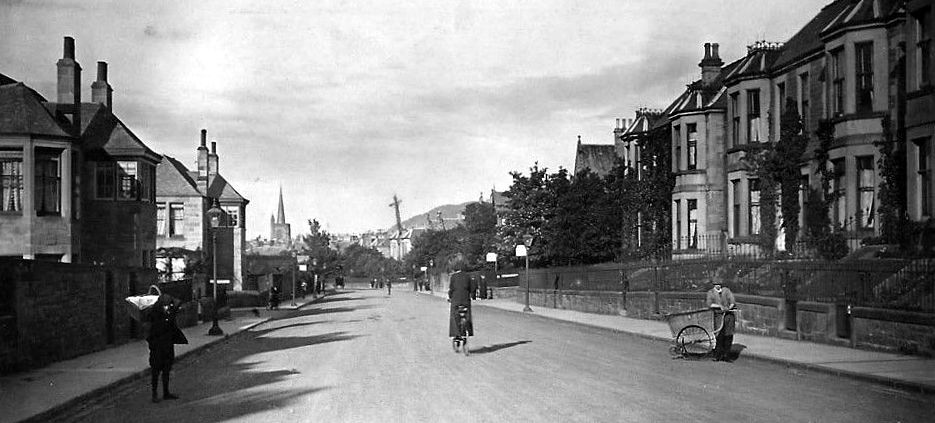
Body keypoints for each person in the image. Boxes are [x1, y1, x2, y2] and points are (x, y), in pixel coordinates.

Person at [147, 294, 186, 402]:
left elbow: (177, 306)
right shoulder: (155, 315)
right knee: (155, 371)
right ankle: (154, 393)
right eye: (165, 305)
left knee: (166, 370)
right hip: (157, 347)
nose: (167, 307)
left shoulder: (169, 314)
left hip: (167, 346)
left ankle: (166, 392)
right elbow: (152, 333)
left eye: (168, 305)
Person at [706, 278, 737, 362]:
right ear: (714, 285)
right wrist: (720, 306)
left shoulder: (726, 291)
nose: (718, 286)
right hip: (719, 316)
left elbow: (732, 301)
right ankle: (717, 355)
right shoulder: (711, 293)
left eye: (719, 284)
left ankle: (726, 355)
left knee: (728, 336)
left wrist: (729, 307)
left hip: (728, 316)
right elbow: (709, 304)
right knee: (719, 336)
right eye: (716, 284)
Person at [448, 263, 478, 341]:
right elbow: (472, 288)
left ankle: (456, 334)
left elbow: (451, 289)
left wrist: (450, 297)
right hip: (465, 299)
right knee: (468, 314)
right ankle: (468, 330)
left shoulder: (453, 277)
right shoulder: (468, 276)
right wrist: (472, 296)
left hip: (456, 299)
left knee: (454, 316)